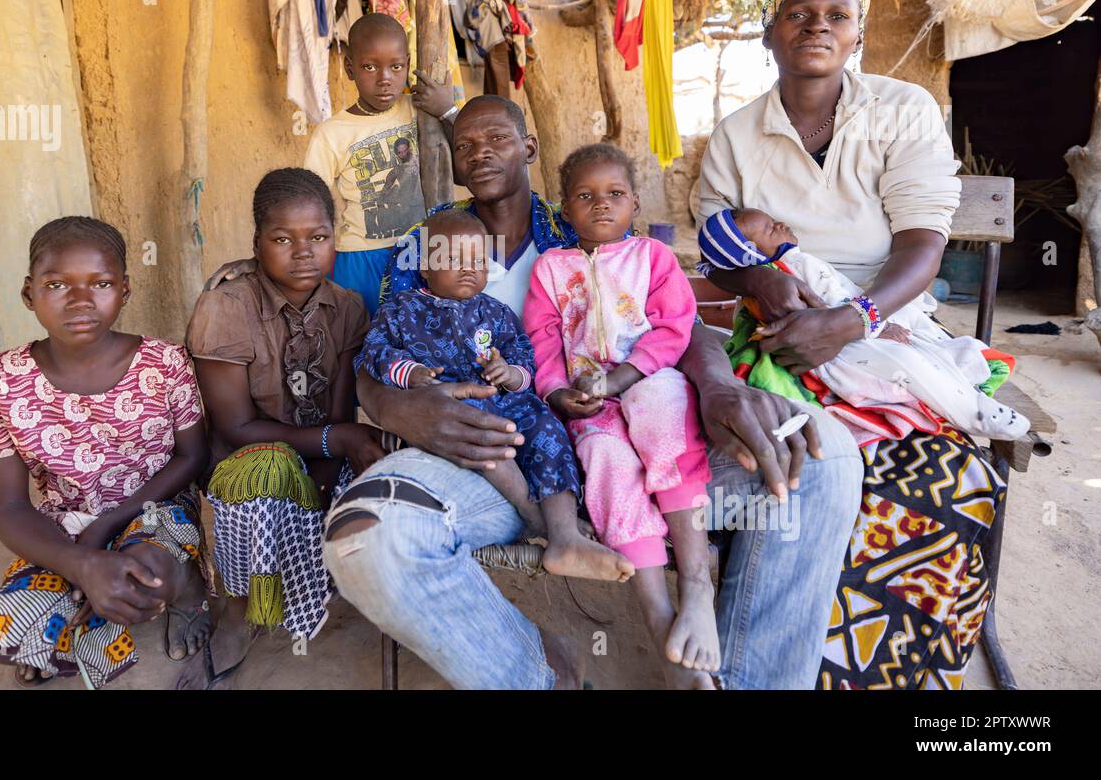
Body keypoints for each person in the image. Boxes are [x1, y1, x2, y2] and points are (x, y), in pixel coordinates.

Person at [323, 92, 863, 690]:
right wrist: (406, 408)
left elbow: (671, 317)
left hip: (630, 431)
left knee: (826, 456)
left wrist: (714, 385)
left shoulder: (583, 220)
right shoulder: (432, 241)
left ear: (529, 146)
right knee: (365, 541)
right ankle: (538, 673)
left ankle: (732, 678)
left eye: (497, 139)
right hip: (483, 454)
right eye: (466, 145)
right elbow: (382, 351)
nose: (481, 154)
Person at [697, 0, 1003, 689]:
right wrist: (765, 281)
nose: (818, 27)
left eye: (837, 15)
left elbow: (924, 245)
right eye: (800, 14)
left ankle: (870, 671)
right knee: (789, 461)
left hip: (885, 316)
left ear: (858, 34)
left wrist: (856, 316)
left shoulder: (902, 109)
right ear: (770, 33)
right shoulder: (737, 136)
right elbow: (720, 246)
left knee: (947, 479)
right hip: (777, 326)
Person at [0, 217, 211, 688]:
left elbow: (192, 458)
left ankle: (188, 592)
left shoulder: (164, 364)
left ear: (124, 290)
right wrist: (79, 561)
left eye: (100, 283)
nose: (80, 300)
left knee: (146, 578)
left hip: (155, 509)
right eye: (57, 284)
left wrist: (109, 525)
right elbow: (9, 506)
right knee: (7, 634)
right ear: (28, 294)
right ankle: (84, 594)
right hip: (65, 523)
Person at [175, 168, 386, 690]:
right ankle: (242, 606)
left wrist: (329, 458)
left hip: (320, 450)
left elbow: (341, 415)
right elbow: (237, 427)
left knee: (384, 481)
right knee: (265, 477)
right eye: (281, 239)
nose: (303, 253)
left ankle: (317, 580)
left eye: (318, 237)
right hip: (243, 462)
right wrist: (332, 442)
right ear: (255, 244)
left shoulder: (347, 307)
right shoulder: (225, 308)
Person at [525, 143, 718, 685]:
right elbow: (540, 344)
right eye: (584, 197)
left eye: (614, 194)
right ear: (565, 210)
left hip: (647, 378)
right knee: (607, 459)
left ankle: (696, 582)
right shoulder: (551, 269)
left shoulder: (653, 259)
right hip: (589, 401)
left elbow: (675, 327)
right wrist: (558, 393)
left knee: (660, 414)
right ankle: (660, 618)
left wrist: (626, 376)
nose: (600, 205)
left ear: (634, 202)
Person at [357, 209, 632, 581]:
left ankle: (565, 531)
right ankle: (534, 515)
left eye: (477, 260)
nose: (468, 268)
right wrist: (410, 374)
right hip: (448, 404)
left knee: (546, 427)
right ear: (424, 267)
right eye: (453, 259)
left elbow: (523, 356)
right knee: (475, 422)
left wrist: (511, 373)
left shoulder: (496, 313)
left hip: (506, 401)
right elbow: (374, 351)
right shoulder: (401, 311)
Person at [700, 207, 1029, 444]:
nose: (782, 223)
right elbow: (828, 307)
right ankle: (971, 412)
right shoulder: (791, 271)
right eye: (771, 229)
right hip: (841, 352)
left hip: (854, 332)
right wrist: (878, 328)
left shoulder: (788, 268)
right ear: (750, 255)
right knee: (911, 363)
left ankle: (962, 385)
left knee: (926, 350)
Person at [303, 13, 455, 314]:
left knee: (420, 337)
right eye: (370, 67)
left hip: (419, 253)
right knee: (366, 340)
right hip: (360, 257)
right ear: (350, 68)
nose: (385, 78)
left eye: (396, 67)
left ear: (408, 65)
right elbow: (308, 202)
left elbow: (465, 150)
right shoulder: (331, 133)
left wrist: (447, 109)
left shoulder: (421, 110)